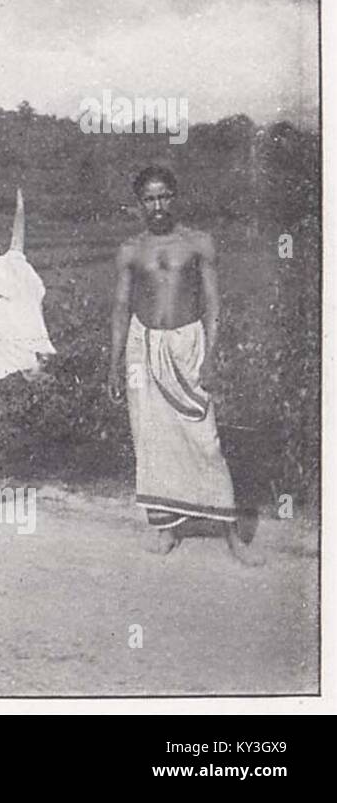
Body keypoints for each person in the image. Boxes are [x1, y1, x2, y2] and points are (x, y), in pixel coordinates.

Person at [108, 165, 262, 565]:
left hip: (187, 346)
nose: (157, 205)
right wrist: (114, 364)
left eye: (164, 196)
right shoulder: (130, 249)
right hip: (143, 348)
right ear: (139, 203)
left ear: (174, 197)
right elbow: (122, 307)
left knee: (205, 439)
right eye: (149, 199)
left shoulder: (198, 243)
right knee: (150, 438)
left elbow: (213, 305)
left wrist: (209, 357)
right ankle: (165, 527)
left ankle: (232, 536)